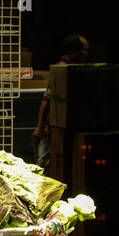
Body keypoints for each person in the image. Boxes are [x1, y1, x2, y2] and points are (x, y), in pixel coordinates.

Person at [32, 33, 89, 168]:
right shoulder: (61, 70)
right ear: (76, 50)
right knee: (44, 166)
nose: (86, 54)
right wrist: (40, 127)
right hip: (52, 130)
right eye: (84, 50)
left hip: (62, 129)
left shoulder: (72, 69)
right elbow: (46, 101)